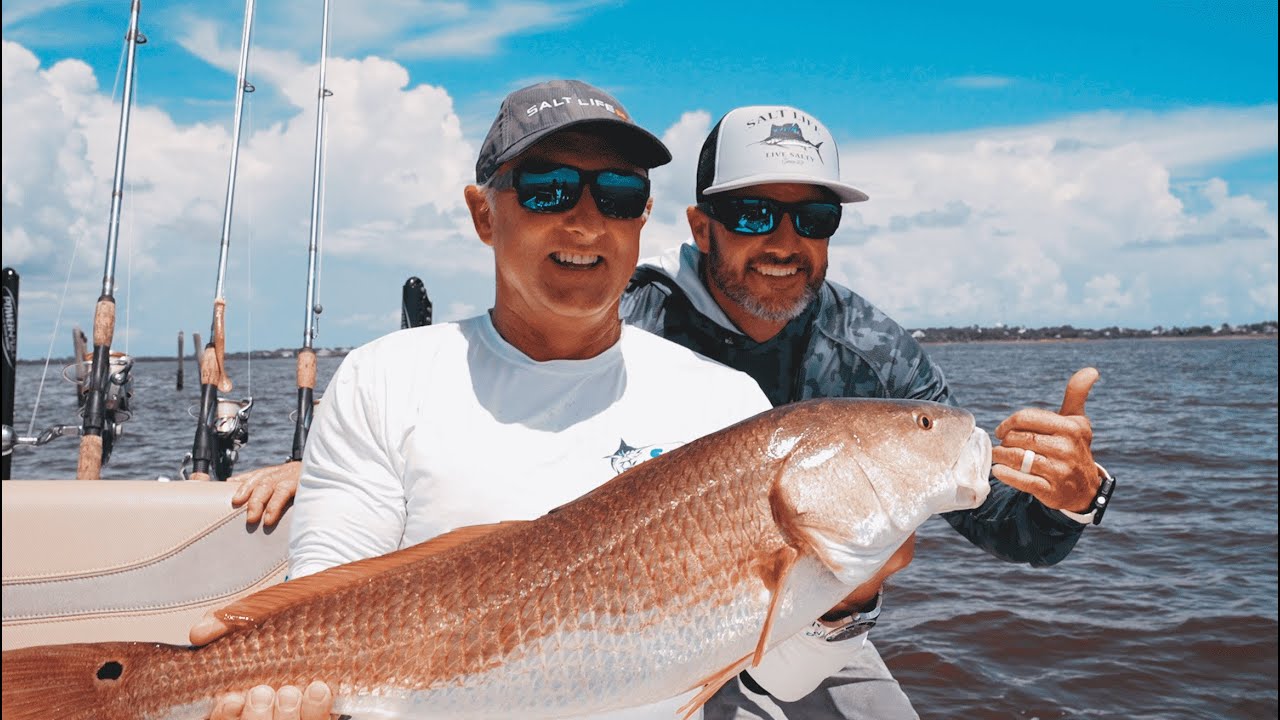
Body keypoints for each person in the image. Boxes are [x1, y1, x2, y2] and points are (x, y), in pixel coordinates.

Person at [195, 83, 915, 720]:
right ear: (483, 214)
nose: (587, 222)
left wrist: (850, 594)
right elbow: (323, 595)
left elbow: (780, 675)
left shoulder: (727, 404)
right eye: (548, 189)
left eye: (619, 196)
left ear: (642, 219)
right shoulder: (384, 378)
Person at [620, 105, 1112, 720]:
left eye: (815, 218)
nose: (784, 242)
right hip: (632, 610)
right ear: (701, 227)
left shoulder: (874, 354)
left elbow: (1006, 524)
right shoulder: (623, 322)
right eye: (752, 213)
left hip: (812, 611)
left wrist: (1072, 495)